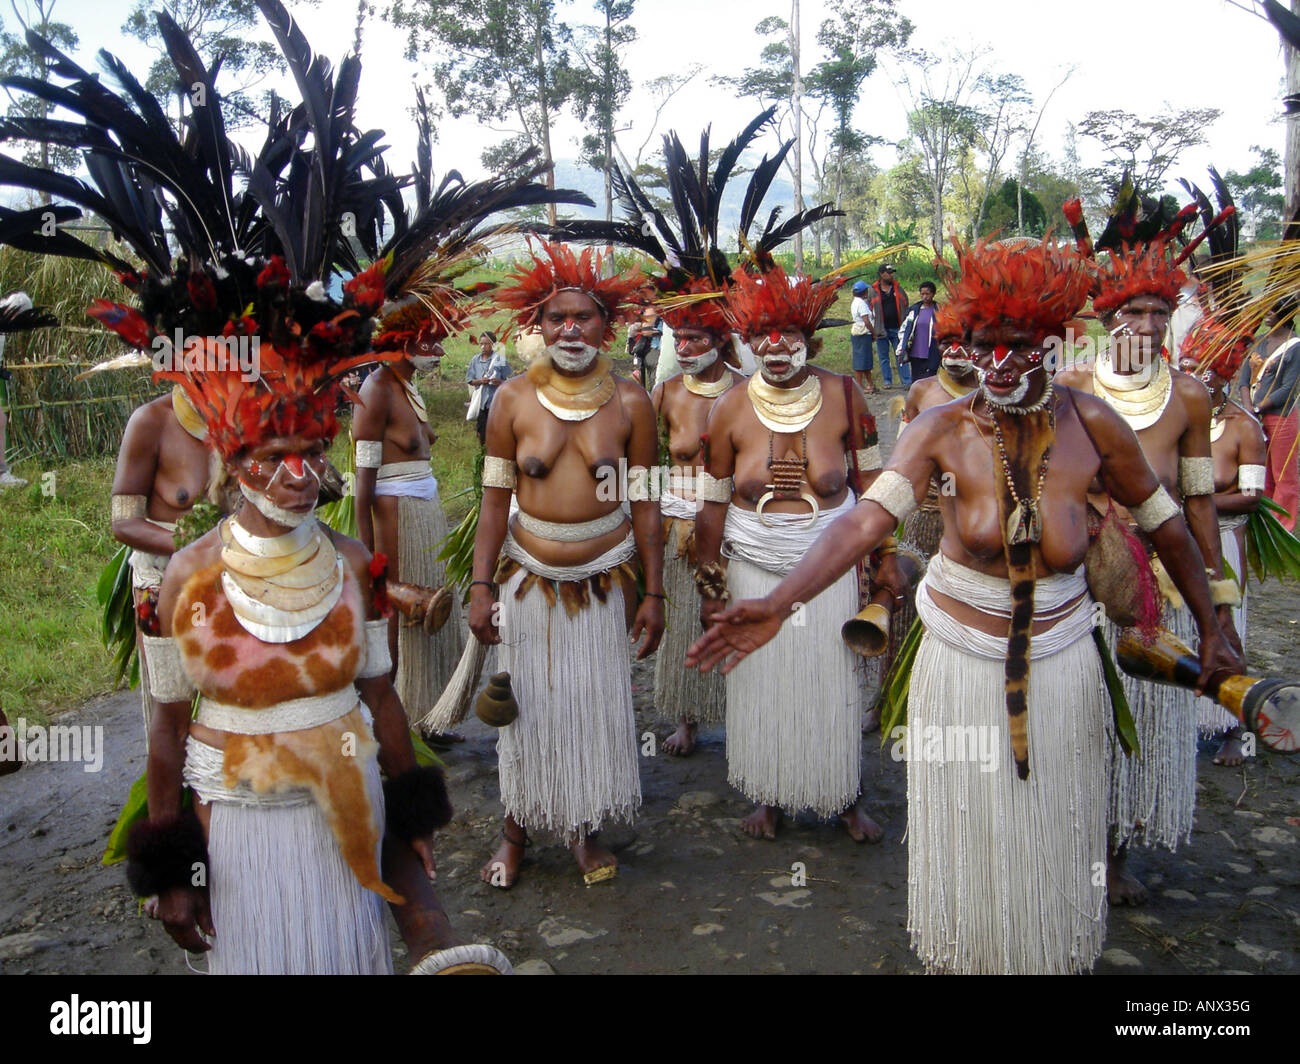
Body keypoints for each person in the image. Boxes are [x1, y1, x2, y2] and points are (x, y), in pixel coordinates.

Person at [687, 236, 1239, 974]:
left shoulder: (1095, 425)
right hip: (961, 659)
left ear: (1049, 342)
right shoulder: (939, 429)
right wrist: (781, 601)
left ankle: (1047, 944)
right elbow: (864, 520)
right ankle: (968, 948)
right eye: (984, 346)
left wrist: (1213, 624)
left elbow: (1167, 523)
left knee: (1057, 807)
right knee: (970, 809)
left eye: (1019, 347)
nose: (1000, 364)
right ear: (966, 343)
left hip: (1064, 651)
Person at [1056, 195, 1241, 905]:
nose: (1149, 325)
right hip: (1083, 572)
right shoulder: (1070, 385)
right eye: (1134, 313)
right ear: (1107, 320)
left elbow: (1196, 501)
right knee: (1082, 713)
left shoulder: (1190, 398)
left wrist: (1215, 598)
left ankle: (1117, 846)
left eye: (1160, 314)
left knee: (1146, 715)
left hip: (1161, 577)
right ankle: (1069, 832)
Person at [470, 241, 664, 888]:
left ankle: (583, 830)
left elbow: (646, 505)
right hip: (526, 578)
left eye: (583, 317)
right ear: (538, 326)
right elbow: (494, 503)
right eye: (557, 319)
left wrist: (655, 594)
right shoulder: (511, 401)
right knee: (526, 704)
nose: (570, 329)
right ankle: (516, 831)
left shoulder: (633, 404)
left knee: (589, 702)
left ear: (607, 326)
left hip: (604, 579)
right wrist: (478, 586)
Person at [693, 264, 887, 843]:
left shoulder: (846, 395)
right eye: (763, 336)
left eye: (789, 334)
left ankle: (844, 794)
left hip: (829, 571)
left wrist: (880, 576)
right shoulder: (726, 408)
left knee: (834, 680)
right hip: (752, 567)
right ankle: (770, 794)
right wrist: (711, 590)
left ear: (812, 341)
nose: (775, 347)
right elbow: (710, 507)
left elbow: (875, 492)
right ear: (747, 343)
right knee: (764, 683)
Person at [1178, 317, 1267, 765]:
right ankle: (1188, 718)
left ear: (1222, 374)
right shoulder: (1174, 416)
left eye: (1200, 367)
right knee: (1187, 630)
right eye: (1185, 364)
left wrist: (1196, 502)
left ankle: (1237, 728)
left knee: (1228, 624)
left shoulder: (1243, 427)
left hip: (1223, 545)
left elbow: (1252, 497)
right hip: (1177, 542)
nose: (1189, 374)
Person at [111, 385, 219, 743]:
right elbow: (123, 522)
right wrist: (193, 547)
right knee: (173, 712)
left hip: (235, 578)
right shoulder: (151, 421)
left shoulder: (248, 417)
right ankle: (172, 795)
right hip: (163, 581)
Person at [1242, 306, 1300, 531]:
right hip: (1254, 416)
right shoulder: (1259, 342)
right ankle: (1264, 519)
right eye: (1265, 311)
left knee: (1283, 473)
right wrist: (1249, 410)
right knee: (1261, 470)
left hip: (1280, 417)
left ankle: (1283, 525)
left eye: (1272, 312)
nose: (1266, 316)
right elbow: (1244, 382)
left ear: (1285, 315)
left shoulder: (1295, 347)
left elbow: (1288, 388)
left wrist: (1257, 409)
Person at [869, 263, 911, 390]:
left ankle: (907, 381)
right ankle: (887, 381)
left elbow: (906, 304)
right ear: (882, 274)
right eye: (889, 272)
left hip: (897, 328)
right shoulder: (873, 291)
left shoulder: (898, 289)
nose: (892, 275)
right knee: (883, 357)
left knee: (901, 354)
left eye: (892, 272)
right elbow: (869, 310)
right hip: (881, 330)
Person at [466, 330, 512, 444]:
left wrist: (500, 382)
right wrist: (481, 381)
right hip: (481, 402)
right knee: (482, 431)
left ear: (493, 345)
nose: (483, 346)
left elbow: (509, 381)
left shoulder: (499, 359)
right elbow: (470, 380)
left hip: (496, 401)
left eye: (486, 344)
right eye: (481, 344)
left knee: (497, 430)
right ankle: (483, 452)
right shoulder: (475, 360)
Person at [897, 281, 940, 382]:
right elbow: (904, 329)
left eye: (927, 294)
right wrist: (902, 347)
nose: (925, 297)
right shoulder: (914, 310)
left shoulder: (939, 310)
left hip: (932, 353)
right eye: (922, 294)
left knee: (929, 381)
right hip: (916, 353)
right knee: (916, 382)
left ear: (933, 294)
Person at [850, 279, 877, 394]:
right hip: (863, 334)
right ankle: (859, 385)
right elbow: (866, 321)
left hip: (859, 333)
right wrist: (874, 332)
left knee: (865, 361)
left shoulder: (856, 302)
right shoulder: (861, 304)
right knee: (861, 361)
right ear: (864, 292)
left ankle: (870, 384)